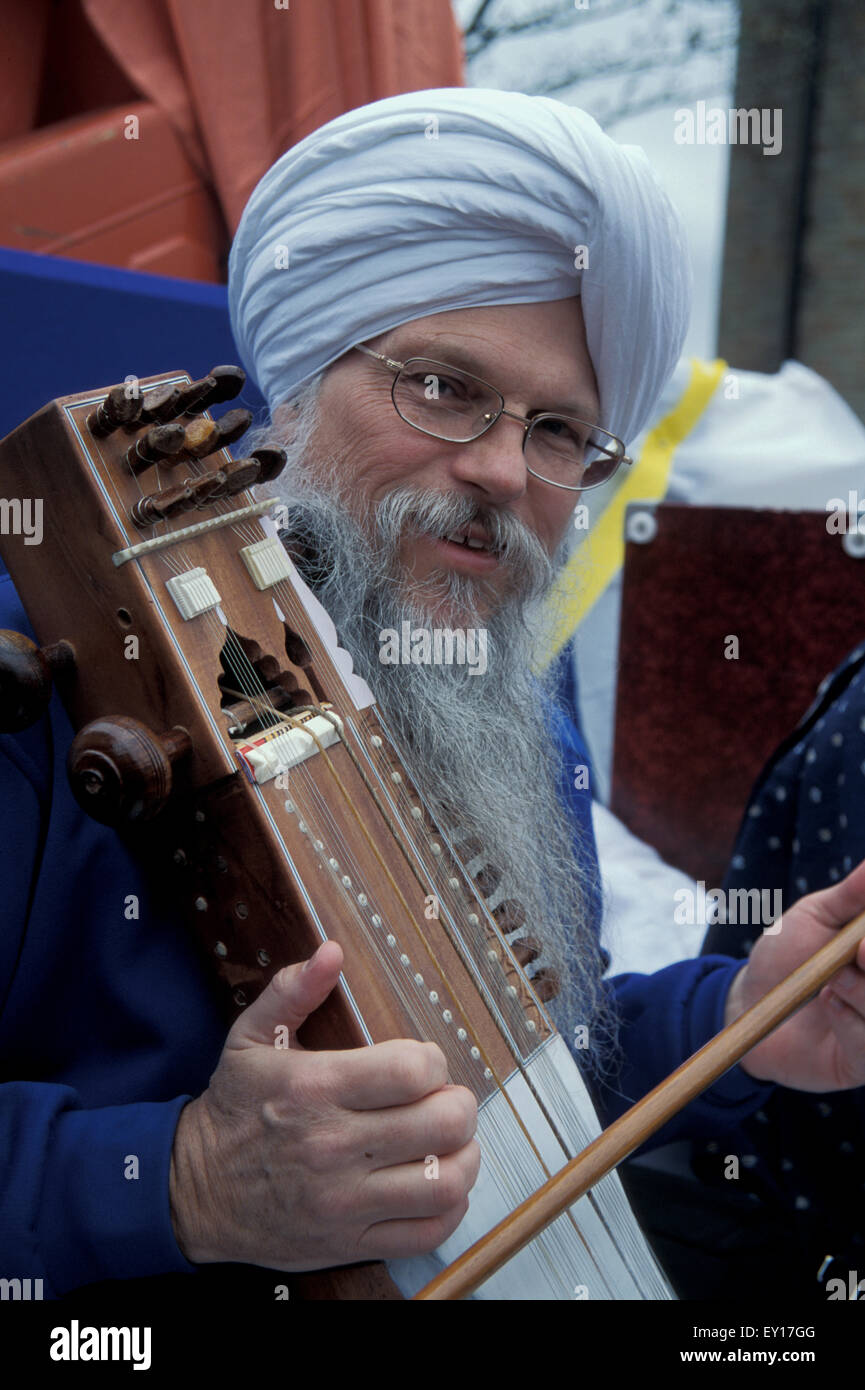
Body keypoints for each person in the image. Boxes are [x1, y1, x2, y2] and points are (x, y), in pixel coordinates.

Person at [3, 87, 865, 1301]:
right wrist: (181, 1180)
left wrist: (736, 1016)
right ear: (295, 387)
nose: (507, 469)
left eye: (563, 430)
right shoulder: (46, 692)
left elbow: (504, 1086)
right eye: (445, 388)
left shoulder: (519, 722)